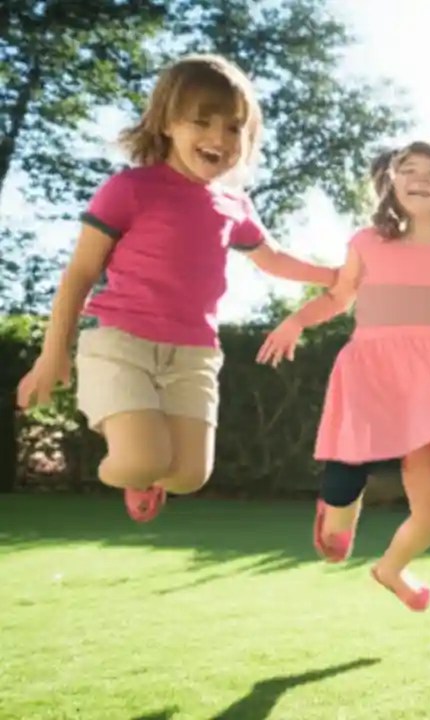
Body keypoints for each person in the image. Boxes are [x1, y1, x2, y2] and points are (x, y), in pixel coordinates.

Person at [15, 54, 337, 523]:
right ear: (167, 122)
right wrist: (53, 353)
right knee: (142, 460)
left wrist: (335, 275)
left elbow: (273, 259)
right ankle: (131, 468)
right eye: (202, 122)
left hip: (193, 354)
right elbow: (80, 273)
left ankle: (147, 468)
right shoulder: (129, 189)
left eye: (234, 128)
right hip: (122, 344)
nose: (219, 139)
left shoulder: (234, 204)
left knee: (188, 475)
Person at [258, 142, 430, 612]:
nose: (420, 178)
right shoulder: (366, 243)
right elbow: (338, 298)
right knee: (346, 472)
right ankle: (336, 518)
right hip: (372, 368)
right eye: (409, 170)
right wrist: (297, 320)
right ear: (392, 184)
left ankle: (391, 569)